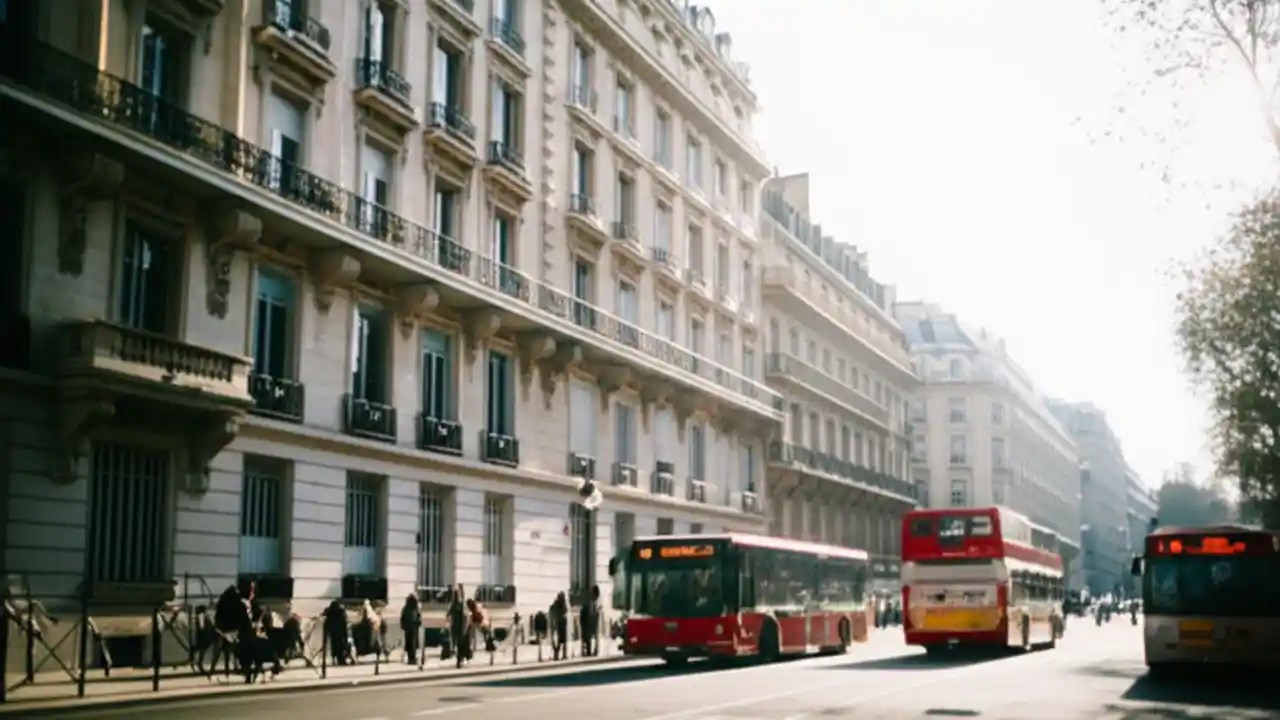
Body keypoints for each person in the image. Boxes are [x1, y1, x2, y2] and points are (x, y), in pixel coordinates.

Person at [400, 593, 422, 664]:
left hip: (409, 628)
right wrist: (418, 623)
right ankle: (412, 658)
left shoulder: (406, 607)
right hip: (413, 628)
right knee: (413, 644)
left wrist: (403, 625)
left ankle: (411, 658)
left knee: (410, 644)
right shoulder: (415, 608)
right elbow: (419, 618)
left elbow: (402, 618)